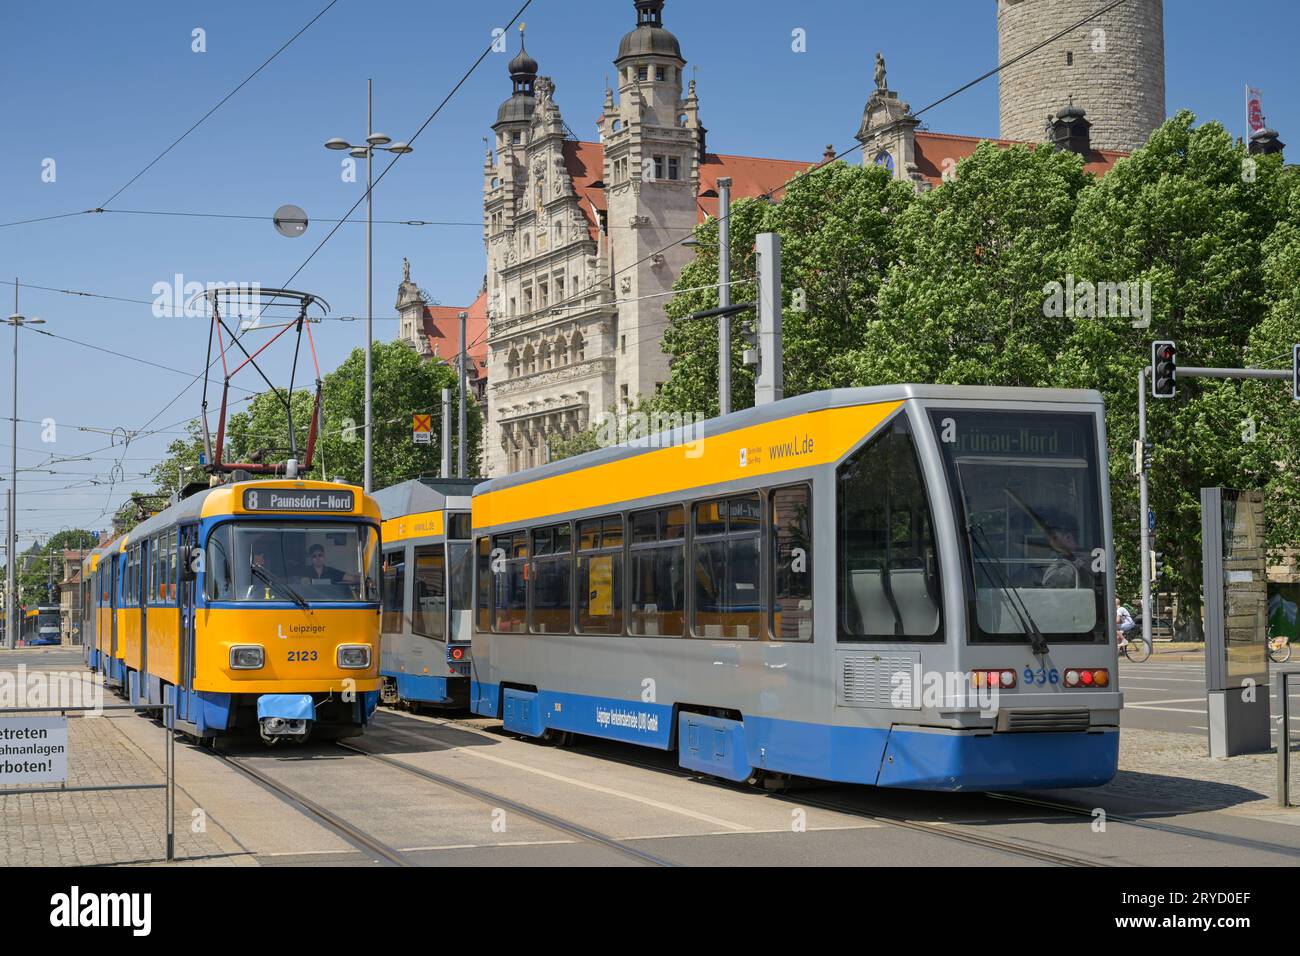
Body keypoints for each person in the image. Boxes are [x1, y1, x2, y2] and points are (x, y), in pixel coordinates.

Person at [1040, 515, 1085, 588]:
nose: (1050, 543)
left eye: (1054, 538)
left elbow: (1051, 584)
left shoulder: (1084, 561)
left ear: (1068, 537)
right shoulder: (1060, 559)